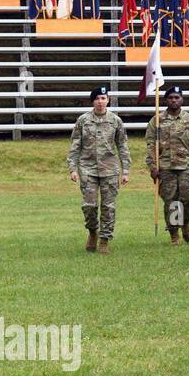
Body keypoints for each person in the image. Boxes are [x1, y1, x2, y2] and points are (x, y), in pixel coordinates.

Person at [67, 86, 131, 254]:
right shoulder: (83, 120)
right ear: (93, 101)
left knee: (108, 207)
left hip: (110, 169)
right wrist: (72, 168)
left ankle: (104, 240)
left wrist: (125, 170)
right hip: (88, 168)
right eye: (97, 98)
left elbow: (123, 146)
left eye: (103, 98)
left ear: (108, 100)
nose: (100, 101)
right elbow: (75, 145)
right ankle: (92, 232)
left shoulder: (115, 121)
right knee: (89, 205)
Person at [145, 84, 189, 244]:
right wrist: (152, 166)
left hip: (186, 166)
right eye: (171, 98)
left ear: (182, 100)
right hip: (165, 167)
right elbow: (151, 145)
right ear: (166, 100)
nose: (174, 100)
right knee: (171, 201)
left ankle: (185, 223)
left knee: (187, 199)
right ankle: (174, 234)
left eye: (177, 97)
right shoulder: (157, 121)